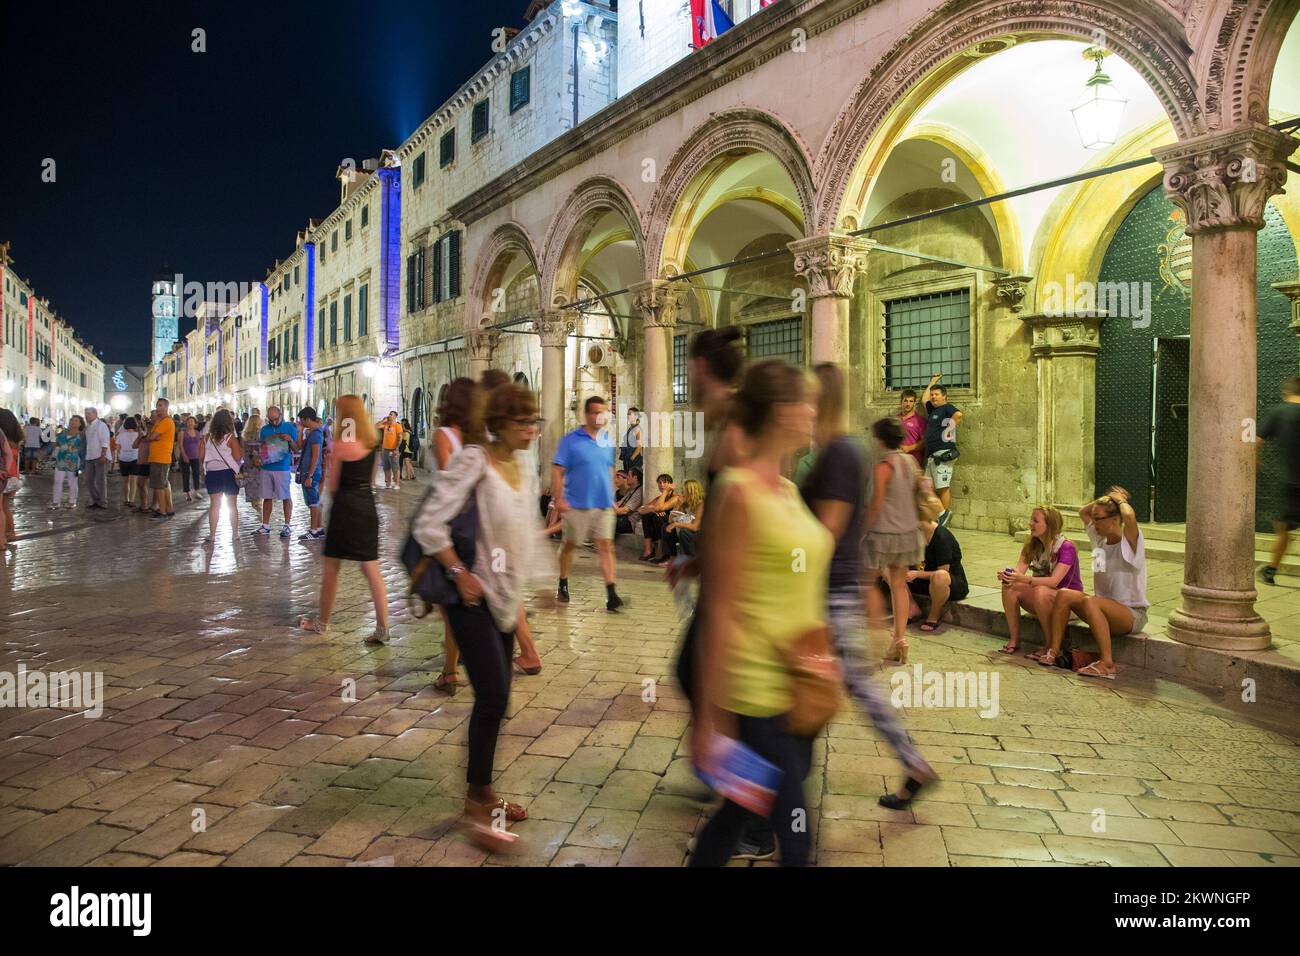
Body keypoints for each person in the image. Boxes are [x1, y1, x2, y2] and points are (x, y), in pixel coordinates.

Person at [689, 361, 832, 868]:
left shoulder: (789, 491)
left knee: (737, 810)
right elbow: (720, 607)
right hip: (755, 692)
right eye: (805, 401)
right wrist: (710, 719)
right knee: (795, 836)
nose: (815, 411)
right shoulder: (737, 490)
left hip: (797, 687)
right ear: (779, 412)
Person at [411, 383, 554, 851]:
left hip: (508, 598)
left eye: (534, 421)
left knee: (498, 700)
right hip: (470, 598)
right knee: (492, 695)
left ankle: (482, 790)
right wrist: (458, 572)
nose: (531, 430)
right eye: (522, 422)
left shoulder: (526, 463)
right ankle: (476, 807)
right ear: (499, 424)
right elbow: (429, 523)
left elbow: (526, 529)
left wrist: (543, 583)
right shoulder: (475, 460)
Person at [802, 363, 934, 811]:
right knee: (849, 686)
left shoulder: (839, 453)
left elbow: (829, 530)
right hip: (837, 587)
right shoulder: (848, 453)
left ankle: (773, 807)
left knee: (840, 688)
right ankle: (912, 762)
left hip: (824, 594)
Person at [300, 395, 389, 644]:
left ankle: (322, 623)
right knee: (371, 568)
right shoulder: (372, 442)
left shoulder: (340, 444)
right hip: (366, 504)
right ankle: (383, 627)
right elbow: (371, 481)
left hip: (345, 506)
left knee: (331, 569)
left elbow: (332, 484)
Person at [1041, 487, 1148, 678]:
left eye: (1099, 518)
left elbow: (1130, 517)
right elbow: (1083, 511)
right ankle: (1053, 650)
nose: (1094, 522)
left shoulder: (1130, 543)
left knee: (1090, 601)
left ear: (1115, 520)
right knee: (1064, 594)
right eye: (1094, 518)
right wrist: (1105, 500)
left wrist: (1120, 500)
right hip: (1100, 610)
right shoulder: (1099, 542)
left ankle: (1107, 664)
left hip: (1131, 615)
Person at [863, 417, 925, 666]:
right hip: (907, 534)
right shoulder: (910, 462)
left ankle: (876, 634)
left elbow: (876, 504)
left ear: (879, 440)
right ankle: (899, 639)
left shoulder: (883, 467)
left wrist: (861, 530)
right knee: (898, 585)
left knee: (867, 583)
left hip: (883, 534)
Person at [553, 395, 624, 612]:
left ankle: (611, 592)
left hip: (602, 505)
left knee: (606, 546)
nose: (599, 416)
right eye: (595, 412)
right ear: (586, 414)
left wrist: (612, 495)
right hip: (576, 503)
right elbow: (557, 470)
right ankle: (563, 581)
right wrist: (558, 498)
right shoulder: (570, 441)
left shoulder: (607, 441)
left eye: (603, 412)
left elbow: (610, 469)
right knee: (570, 546)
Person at [432, 378, 475, 694]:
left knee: (451, 601)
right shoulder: (477, 436)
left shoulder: (443, 435)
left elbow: (448, 480)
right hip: (475, 522)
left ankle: (450, 670)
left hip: (453, 522)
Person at [1001, 506, 1084, 656]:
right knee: (1009, 585)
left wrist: (1022, 578)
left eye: (1035, 521)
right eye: (1031, 520)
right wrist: (1009, 576)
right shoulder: (1032, 544)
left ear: (1050, 525)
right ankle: (1014, 640)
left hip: (1067, 603)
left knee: (1041, 591)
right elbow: (1019, 572)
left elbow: (1054, 581)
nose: (1030, 524)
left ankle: (1050, 645)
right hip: (1043, 597)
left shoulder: (1066, 547)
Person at [1258, 376, 1300, 584]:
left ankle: (1271, 571)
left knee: (1283, 527)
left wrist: (1256, 461)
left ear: (1287, 391)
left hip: (1291, 481)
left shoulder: (1279, 412)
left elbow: (1256, 440)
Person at [906, 520, 970, 632]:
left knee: (939, 576)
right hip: (923, 580)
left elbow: (944, 571)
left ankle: (934, 615)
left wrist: (916, 574)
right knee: (888, 568)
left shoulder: (942, 537)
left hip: (950, 583)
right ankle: (912, 607)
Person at [921, 372, 962, 527]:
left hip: (943, 454)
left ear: (945, 396)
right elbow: (924, 399)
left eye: (937, 394)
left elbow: (958, 415)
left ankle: (943, 518)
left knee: (942, 487)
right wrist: (933, 381)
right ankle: (940, 514)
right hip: (932, 455)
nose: (933, 397)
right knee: (926, 487)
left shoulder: (947, 408)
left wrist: (947, 430)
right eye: (933, 394)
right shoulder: (933, 410)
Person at [199, 408, 243, 543]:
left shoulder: (206, 438)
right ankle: (235, 534)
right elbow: (237, 456)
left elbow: (200, 456)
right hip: (228, 473)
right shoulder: (230, 438)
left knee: (214, 505)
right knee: (232, 505)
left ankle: (212, 535)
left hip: (212, 474)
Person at [256, 406, 299, 537]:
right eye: (271, 420)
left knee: (285, 496)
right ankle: (265, 525)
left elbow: (296, 449)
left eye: (276, 419)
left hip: (282, 468)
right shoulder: (264, 430)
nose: (274, 422)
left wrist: (290, 440)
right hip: (267, 468)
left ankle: (287, 525)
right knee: (267, 496)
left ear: (280, 415)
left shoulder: (290, 428)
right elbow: (262, 447)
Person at [143, 399, 176, 519]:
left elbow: (151, 436)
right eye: (157, 405)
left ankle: (162, 511)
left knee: (158, 486)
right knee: (163, 484)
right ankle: (169, 509)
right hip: (158, 456)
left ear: (167, 407)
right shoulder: (159, 421)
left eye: (161, 405)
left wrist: (153, 437)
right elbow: (151, 435)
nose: (158, 408)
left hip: (160, 457)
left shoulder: (166, 422)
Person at [637, 473, 681, 563]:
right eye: (659, 483)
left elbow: (660, 508)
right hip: (659, 526)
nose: (662, 485)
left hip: (672, 523)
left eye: (665, 482)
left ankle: (661, 551)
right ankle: (648, 549)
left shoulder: (675, 497)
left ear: (670, 485)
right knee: (647, 515)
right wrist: (651, 508)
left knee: (657, 517)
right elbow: (640, 510)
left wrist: (665, 492)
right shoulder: (659, 498)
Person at [297, 407, 326, 542]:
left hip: (311, 472)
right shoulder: (313, 432)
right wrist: (300, 432)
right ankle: (318, 528)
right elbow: (301, 447)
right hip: (310, 471)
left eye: (302, 421)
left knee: (313, 501)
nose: (301, 423)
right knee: (315, 500)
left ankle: (313, 530)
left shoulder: (315, 434)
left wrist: (309, 475)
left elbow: (315, 456)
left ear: (307, 419)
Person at [662, 478, 704, 559]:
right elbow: (670, 520)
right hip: (690, 530)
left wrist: (676, 524)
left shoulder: (701, 505)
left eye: (683, 490)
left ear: (690, 491)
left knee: (684, 532)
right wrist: (678, 505)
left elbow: (695, 527)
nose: (682, 492)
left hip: (701, 533)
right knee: (666, 526)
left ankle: (691, 560)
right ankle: (672, 559)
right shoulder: (686, 504)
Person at [50, 416, 84, 510]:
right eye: (72, 420)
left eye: (76, 421)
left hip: (73, 461)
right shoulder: (62, 432)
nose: (73, 422)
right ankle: (56, 501)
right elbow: (56, 443)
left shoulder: (81, 435)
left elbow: (82, 449)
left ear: (80, 423)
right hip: (61, 459)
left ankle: (72, 501)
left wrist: (82, 463)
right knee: (57, 481)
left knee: (72, 482)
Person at [81, 407, 111, 510]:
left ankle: (102, 501)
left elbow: (105, 441)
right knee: (88, 479)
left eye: (89, 413)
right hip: (89, 456)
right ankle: (95, 499)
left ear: (95, 414)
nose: (87, 416)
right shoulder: (88, 427)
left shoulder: (101, 425)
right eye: (86, 414)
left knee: (100, 480)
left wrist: (103, 454)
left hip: (100, 456)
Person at [0, 409, 21, 553]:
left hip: (7, 475)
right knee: (4, 507)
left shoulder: (4, 438)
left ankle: (7, 534)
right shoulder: (14, 440)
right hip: (10, 474)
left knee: (3, 507)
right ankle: (8, 533)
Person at [242, 412, 264, 516]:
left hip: (249, 467)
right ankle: (262, 515)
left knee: (253, 496)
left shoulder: (245, 436)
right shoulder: (261, 434)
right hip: (260, 467)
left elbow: (243, 453)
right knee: (260, 494)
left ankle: (261, 514)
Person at [898, 388, 926, 468]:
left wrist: (909, 448)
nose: (908, 404)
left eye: (911, 401)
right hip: (897, 461)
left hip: (913, 462)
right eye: (905, 401)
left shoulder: (920, 421)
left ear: (914, 403)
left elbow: (925, 441)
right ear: (901, 402)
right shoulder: (895, 419)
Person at [179, 416, 203, 503]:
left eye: (192, 421)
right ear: (186, 423)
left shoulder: (197, 433)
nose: (190, 423)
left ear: (195, 423)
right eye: (189, 421)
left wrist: (200, 456)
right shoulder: (182, 433)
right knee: (186, 475)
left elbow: (199, 445)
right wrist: (184, 455)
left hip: (195, 457)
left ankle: (196, 491)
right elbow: (180, 445)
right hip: (185, 456)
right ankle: (187, 493)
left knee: (196, 474)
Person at [613, 468, 643, 537]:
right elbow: (618, 504)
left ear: (635, 477)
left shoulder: (639, 491)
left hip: (629, 522)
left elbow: (623, 511)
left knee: (606, 520)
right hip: (622, 518)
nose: (627, 478)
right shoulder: (631, 490)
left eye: (629, 476)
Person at [378, 410, 403, 490]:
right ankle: (388, 484)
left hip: (393, 449)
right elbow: (375, 426)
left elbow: (400, 437)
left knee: (395, 467)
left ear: (395, 417)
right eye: (389, 414)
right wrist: (383, 420)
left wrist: (396, 448)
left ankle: (397, 484)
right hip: (385, 449)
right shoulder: (385, 424)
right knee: (386, 467)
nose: (390, 416)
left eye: (391, 414)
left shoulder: (397, 426)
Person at [620, 406, 643, 474]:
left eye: (630, 414)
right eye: (627, 414)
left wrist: (631, 459)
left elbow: (639, 447)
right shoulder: (631, 428)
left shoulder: (637, 429)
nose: (628, 415)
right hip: (628, 458)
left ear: (636, 416)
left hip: (634, 460)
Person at [399, 417, 416, 482]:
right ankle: (412, 475)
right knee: (409, 463)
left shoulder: (405, 433)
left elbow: (402, 441)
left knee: (406, 464)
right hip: (410, 449)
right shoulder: (410, 432)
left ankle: (408, 476)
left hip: (406, 449)